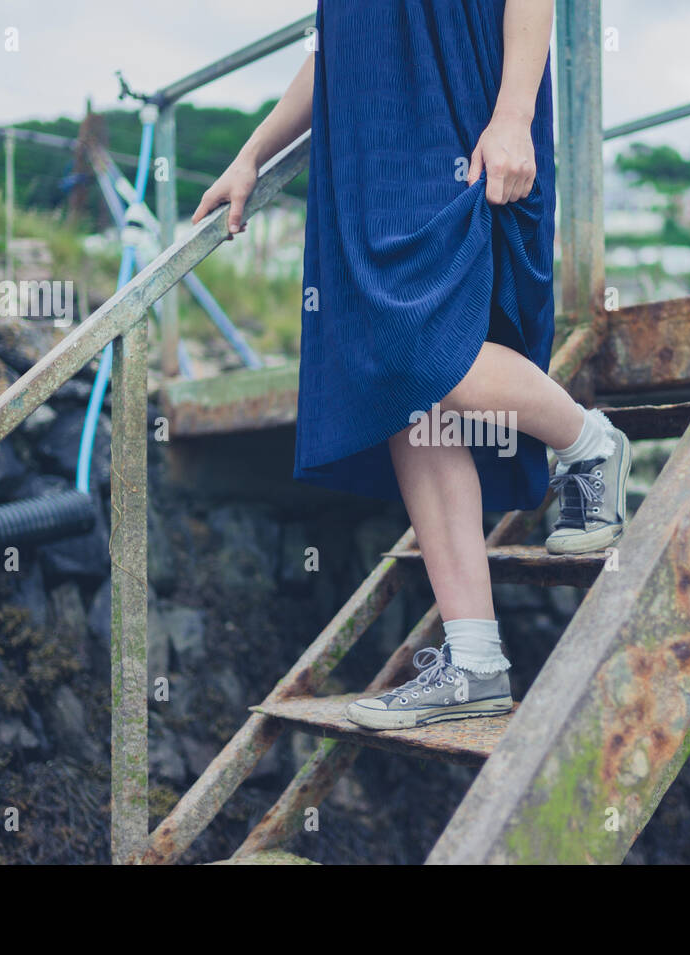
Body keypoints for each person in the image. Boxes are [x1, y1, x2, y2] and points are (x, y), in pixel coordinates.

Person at [192, 0, 631, 731]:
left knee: (415, 344)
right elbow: (337, 39)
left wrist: (515, 112)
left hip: (461, 116)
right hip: (369, 155)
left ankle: (586, 441)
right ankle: (474, 661)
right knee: (393, 386)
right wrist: (253, 153)